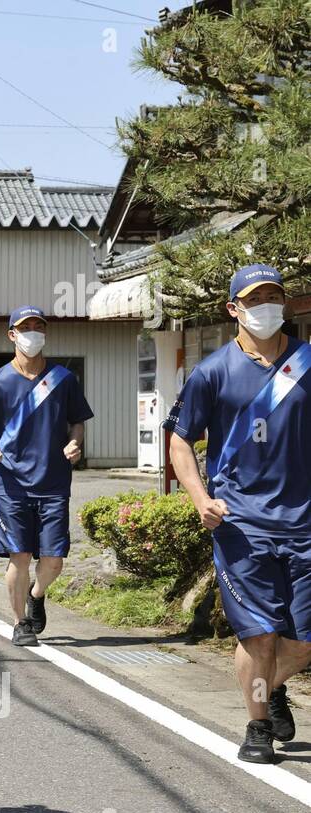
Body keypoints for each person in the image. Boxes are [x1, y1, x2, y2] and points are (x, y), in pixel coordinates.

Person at [165, 264, 311, 764]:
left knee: (302, 641)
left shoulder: (307, 364)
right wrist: (200, 498)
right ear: (234, 309)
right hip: (242, 524)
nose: (267, 306)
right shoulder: (212, 372)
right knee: (260, 633)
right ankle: (256, 727)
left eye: (274, 296)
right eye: (255, 298)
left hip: (305, 522)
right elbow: (181, 439)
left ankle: (268, 689)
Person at [0, 306, 93, 647]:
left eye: (39, 326)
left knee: (53, 560)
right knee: (19, 556)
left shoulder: (63, 379)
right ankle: (21, 621)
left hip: (54, 482)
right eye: (26, 328)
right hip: (12, 485)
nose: (33, 333)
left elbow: (77, 420)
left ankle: (37, 595)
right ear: (12, 335)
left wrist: (74, 443)